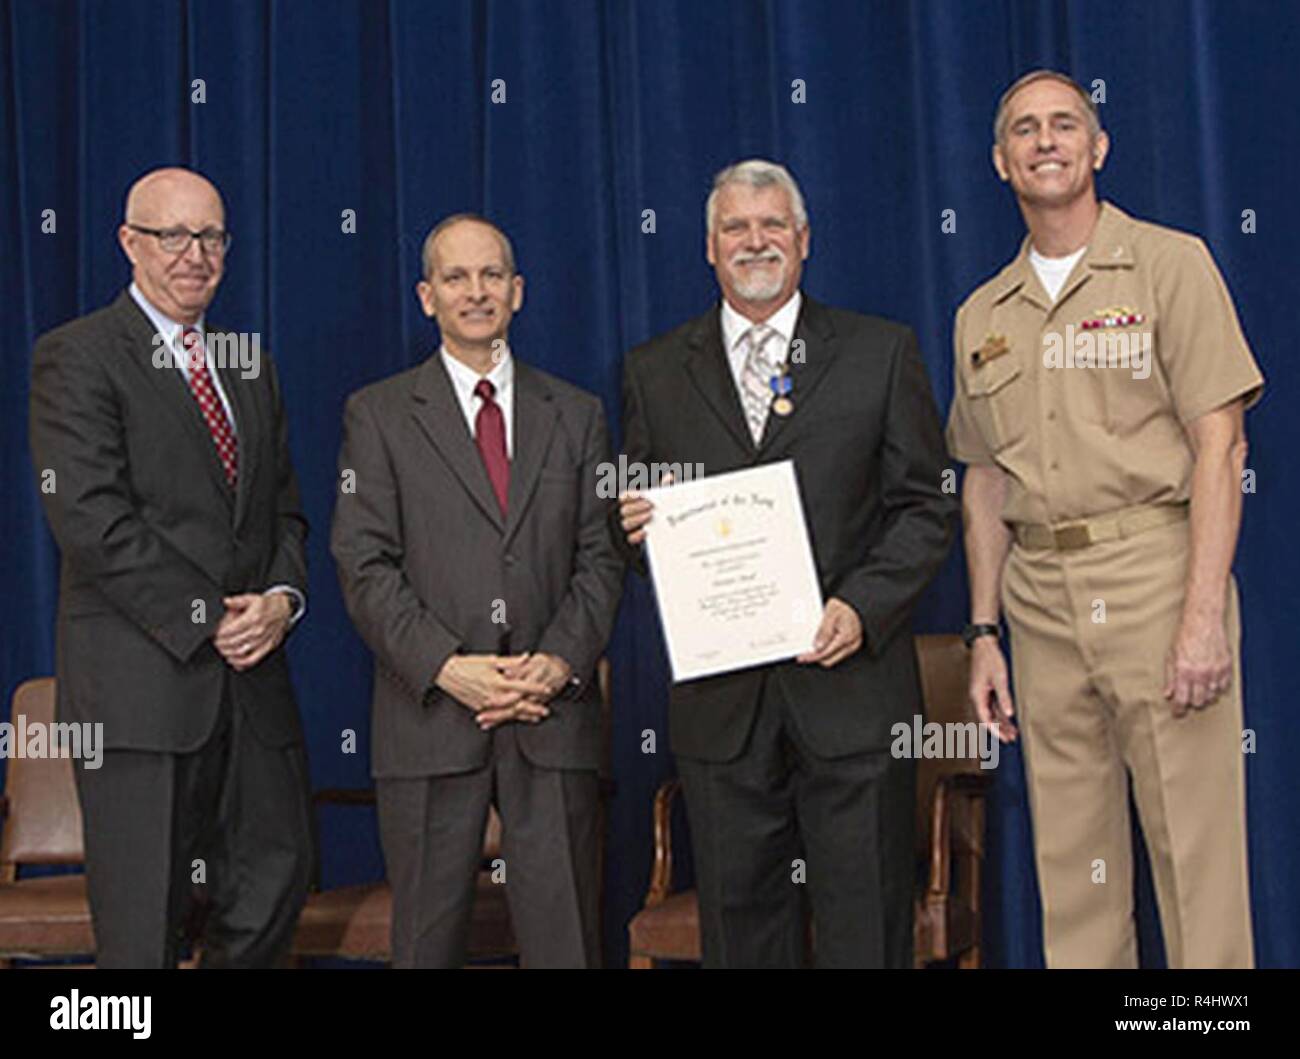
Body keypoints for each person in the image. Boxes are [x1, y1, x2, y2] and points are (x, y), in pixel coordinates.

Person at [946, 70, 1263, 968]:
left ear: (1098, 148)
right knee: (1074, 874)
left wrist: (1202, 614)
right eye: (1024, 130)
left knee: (1197, 869)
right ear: (1000, 161)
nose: (1045, 141)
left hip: (1157, 578)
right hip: (1040, 602)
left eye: (1064, 125)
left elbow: (1221, 447)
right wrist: (982, 631)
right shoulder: (982, 314)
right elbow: (983, 481)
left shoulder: (1171, 264)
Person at [616, 160, 956, 967]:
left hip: (852, 696)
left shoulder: (881, 351)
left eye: (773, 225)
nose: (755, 240)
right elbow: (630, 521)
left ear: (803, 241)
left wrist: (862, 607)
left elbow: (927, 505)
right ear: (708, 247)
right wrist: (633, 524)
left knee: (866, 929)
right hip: (723, 709)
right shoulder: (653, 371)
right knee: (741, 937)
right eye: (737, 227)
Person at [28, 167, 313, 967]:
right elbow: (90, 519)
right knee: (140, 924)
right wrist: (209, 615)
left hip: (252, 689)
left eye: (212, 236)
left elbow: (285, 512)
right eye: (173, 235)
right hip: (139, 691)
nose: (196, 254)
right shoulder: (78, 355)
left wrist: (283, 601)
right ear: (130, 242)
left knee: (275, 879)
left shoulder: (248, 362)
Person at [331, 214, 623, 968]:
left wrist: (558, 663)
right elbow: (363, 563)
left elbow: (602, 556)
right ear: (427, 297)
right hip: (429, 722)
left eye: (492, 275)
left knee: (568, 948)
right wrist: (447, 666)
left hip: (550, 717)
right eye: (456, 278)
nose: (476, 291)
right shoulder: (379, 414)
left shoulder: (578, 414)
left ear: (518, 291)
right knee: (426, 946)